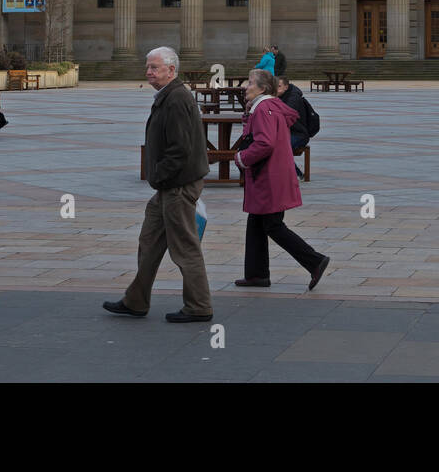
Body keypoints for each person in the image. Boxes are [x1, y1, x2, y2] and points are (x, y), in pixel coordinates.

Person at [104, 47, 213, 323]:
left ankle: (199, 305)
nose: (148, 71)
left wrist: (159, 175)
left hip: (177, 186)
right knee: (149, 242)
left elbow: (180, 149)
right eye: (148, 66)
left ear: (171, 71)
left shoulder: (177, 99)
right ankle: (135, 301)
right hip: (168, 186)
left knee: (185, 247)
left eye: (154, 67)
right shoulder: (169, 96)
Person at [233, 68, 329, 290]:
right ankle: (256, 274)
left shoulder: (265, 108)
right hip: (270, 174)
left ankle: (314, 261)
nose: (245, 87)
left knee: (273, 225)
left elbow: (264, 143)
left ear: (263, 88)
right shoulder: (266, 107)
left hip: (269, 176)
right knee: (256, 222)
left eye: (249, 83)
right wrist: (248, 114)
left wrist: (242, 158)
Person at [275, 75, 320, 179]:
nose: (275, 89)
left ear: (286, 87)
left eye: (279, 86)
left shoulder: (293, 98)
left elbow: (283, 114)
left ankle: (296, 174)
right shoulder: (280, 96)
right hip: (285, 133)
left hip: (299, 134)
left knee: (279, 148)